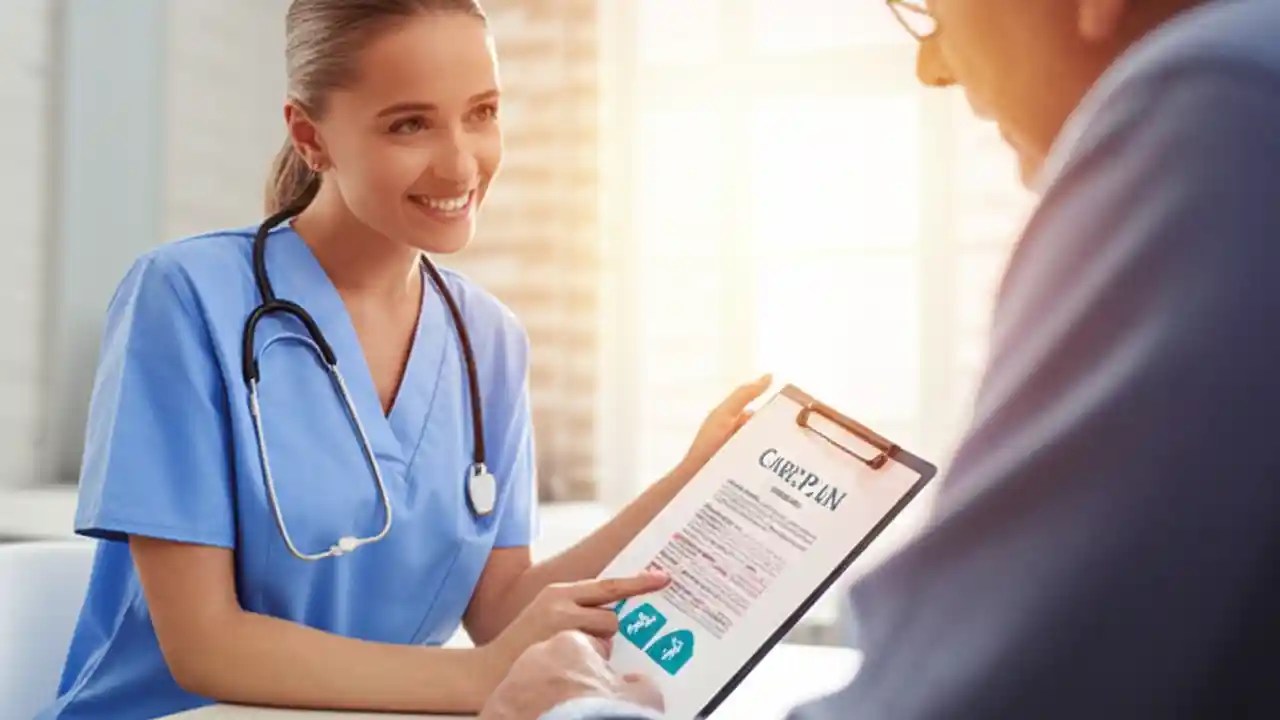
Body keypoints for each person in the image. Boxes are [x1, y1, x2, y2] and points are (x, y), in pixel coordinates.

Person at [480, 0, 1280, 717]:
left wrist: (575, 714)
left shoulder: (1215, 105)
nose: (933, 66)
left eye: (935, 11)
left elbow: (963, 699)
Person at [39, 1, 770, 718]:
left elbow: (499, 610)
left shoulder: (490, 338)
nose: (460, 164)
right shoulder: (186, 297)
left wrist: (689, 479)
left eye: (482, 112)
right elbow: (206, 648)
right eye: (410, 124)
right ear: (310, 136)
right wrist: (483, 681)